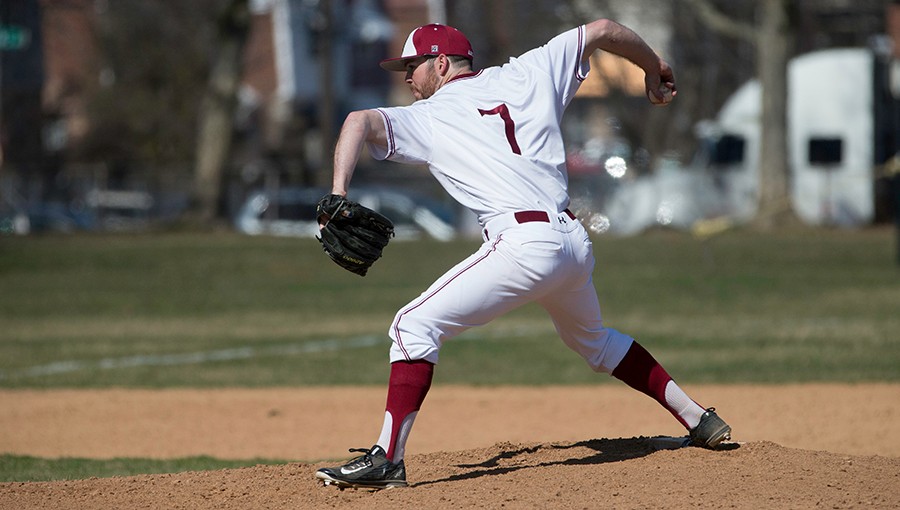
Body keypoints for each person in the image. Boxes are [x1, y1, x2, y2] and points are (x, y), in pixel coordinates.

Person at [315, 18, 731, 490]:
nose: (407, 77)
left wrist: (336, 195)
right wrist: (653, 66)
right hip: (572, 241)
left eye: (413, 66)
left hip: (524, 245)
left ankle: (388, 459)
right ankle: (698, 418)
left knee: (412, 325)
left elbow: (358, 121)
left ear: (442, 63)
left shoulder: (429, 116)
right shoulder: (529, 71)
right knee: (594, 341)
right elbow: (601, 29)